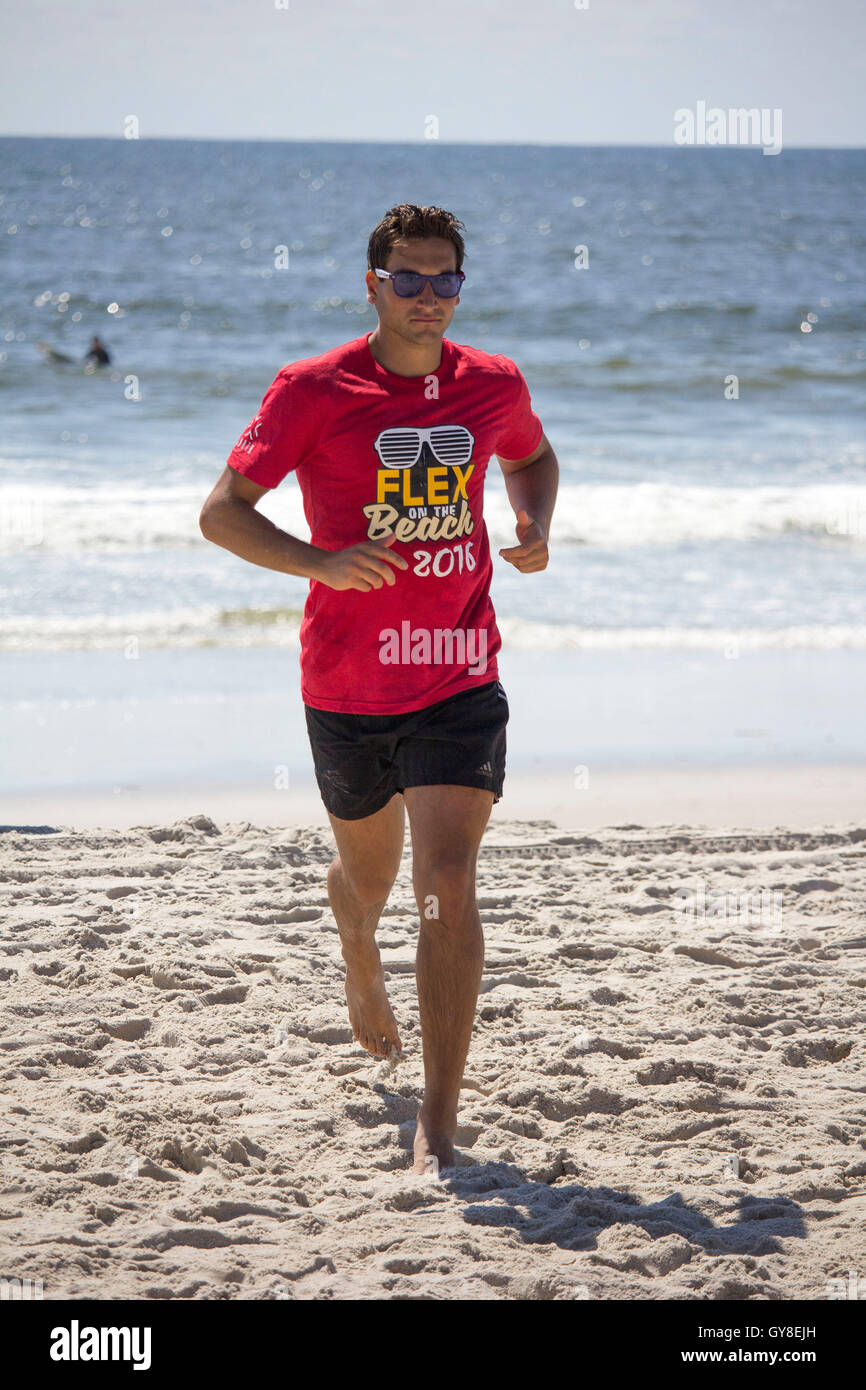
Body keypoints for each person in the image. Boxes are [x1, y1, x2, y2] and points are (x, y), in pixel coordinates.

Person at [199, 204, 558, 1177]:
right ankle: (356, 943)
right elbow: (222, 514)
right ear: (373, 284)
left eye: (446, 279)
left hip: (456, 673)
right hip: (348, 685)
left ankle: (436, 1121)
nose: (429, 297)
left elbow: (530, 455)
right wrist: (320, 559)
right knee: (369, 880)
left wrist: (530, 522)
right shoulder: (313, 389)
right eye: (410, 279)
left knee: (444, 882)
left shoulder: (491, 383)